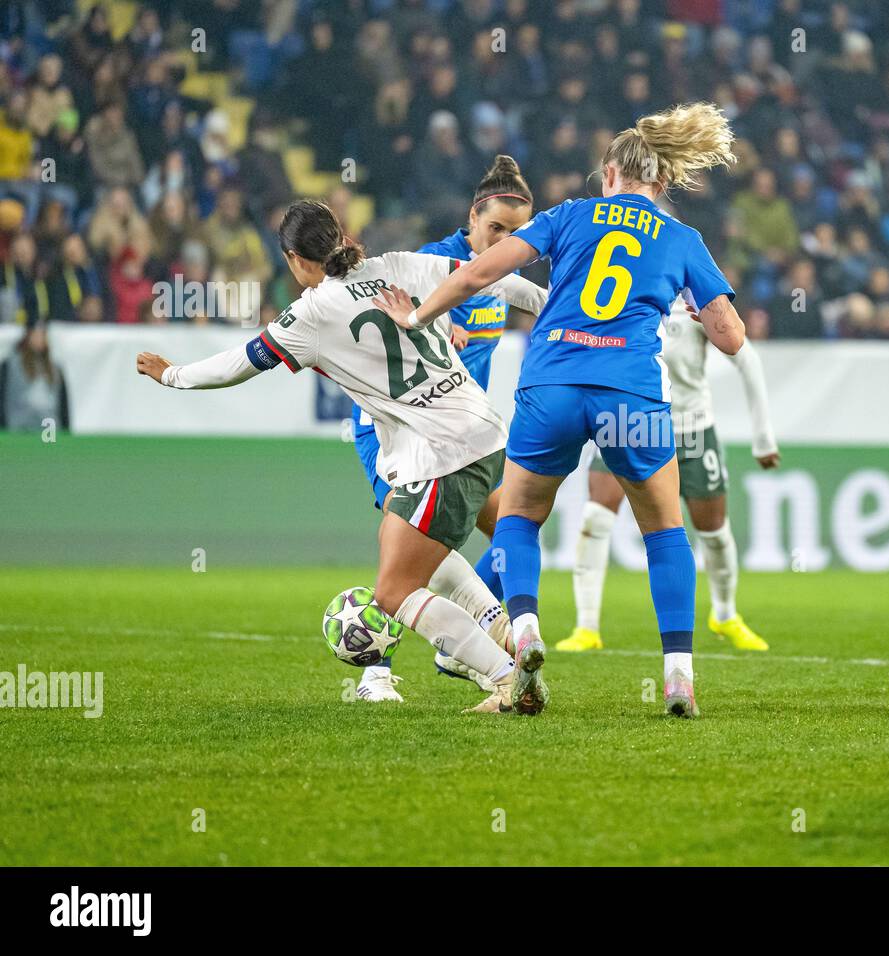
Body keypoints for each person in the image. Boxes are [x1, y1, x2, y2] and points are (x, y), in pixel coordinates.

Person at [373, 103, 746, 718]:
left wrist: (415, 318)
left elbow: (477, 275)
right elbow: (729, 336)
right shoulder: (683, 239)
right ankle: (678, 676)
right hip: (631, 395)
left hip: (552, 388)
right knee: (664, 531)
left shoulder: (570, 216)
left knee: (518, 515)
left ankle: (523, 633)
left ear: (609, 173)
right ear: (663, 182)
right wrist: (687, 301)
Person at [136, 199, 550, 714]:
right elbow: (493, 275)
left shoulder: (309, 314)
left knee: (396, 591)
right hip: (486, 432)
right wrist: (556, 305)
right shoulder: (397, 264)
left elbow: (238, 365)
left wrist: (171, 375)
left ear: (293, 258)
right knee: (406, 545)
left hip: (439, 452)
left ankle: (505, 678)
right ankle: (510, 637)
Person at [350, 156, 535, 646]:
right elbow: (370, 317)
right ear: (471, 219)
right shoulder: (434, 263)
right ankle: (376, 673)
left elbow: (551, 298)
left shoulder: (501, 276)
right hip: (389, 425)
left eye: (514, 233)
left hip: (456, 437)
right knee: (400, 545)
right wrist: (427, 321)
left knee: (517, 529)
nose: (502, 241)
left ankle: (474, 636)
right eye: (494, 227)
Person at [560, 293, 779, 653]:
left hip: (690, 429)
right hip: (629, 422)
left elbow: (747, 358)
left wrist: (763, 436)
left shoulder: (699, 300)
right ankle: (586, 627)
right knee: (595, 516)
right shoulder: (622, 296)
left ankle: (725, 613)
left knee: (714, 531)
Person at [0, 324, 69, 431]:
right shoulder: (11, 366)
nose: (40, 338)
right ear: (28, 336)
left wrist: (65, 430)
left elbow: (63, 405)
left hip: (49, 428)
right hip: (19, 428)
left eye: (43, 334)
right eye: (36, 333)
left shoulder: (55, 369)